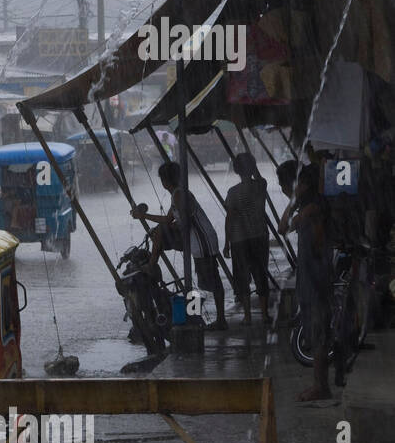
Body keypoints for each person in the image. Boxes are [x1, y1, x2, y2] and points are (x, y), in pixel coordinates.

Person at [132, 160, 228, 330]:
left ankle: (218, 320)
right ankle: (201, 315)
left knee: (211, 281)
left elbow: (183, 223)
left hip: (202, 240)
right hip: (196, 240)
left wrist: (162, 227)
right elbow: (168, 220)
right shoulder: (176, 195)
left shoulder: (179, 195)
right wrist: (145, 217)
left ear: (165, 181)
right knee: (206, 280)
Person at [279, 161, 335, 400]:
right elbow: (283, 228)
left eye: (286, 184)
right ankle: (319, 384)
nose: (283, 189)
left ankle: (321, 386)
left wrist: (296, 205)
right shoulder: (306, 205)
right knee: (315, 330)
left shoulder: (313, 207)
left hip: (316, 276)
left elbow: (289, 226)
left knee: (318, 330)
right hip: (310, 274)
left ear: (300, 184)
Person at [224, 152, 271, 324]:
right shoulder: (261, 185)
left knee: (242, 278)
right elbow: (257, 176)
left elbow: (229, 219)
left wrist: (226, 243)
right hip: (259, 236)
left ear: (236, 170)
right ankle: (265, 314)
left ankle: (248, 316)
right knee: (260, 274)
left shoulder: (233, 193)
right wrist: (251, 165)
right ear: (252, 167)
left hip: (239, 239)